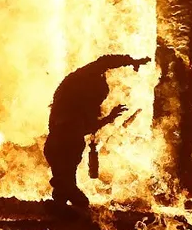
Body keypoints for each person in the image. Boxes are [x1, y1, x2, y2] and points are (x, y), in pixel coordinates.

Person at [44, 54, 150, 209]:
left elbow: (83, 128)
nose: (100, 103)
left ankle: (60, 209)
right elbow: (104, 61)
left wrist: (130, 61)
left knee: (64, 189)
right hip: (63, 147)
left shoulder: (69, 97)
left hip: (58, 146)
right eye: (99, 99)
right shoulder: (75, 89)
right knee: (73, 195)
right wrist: (131, 61)